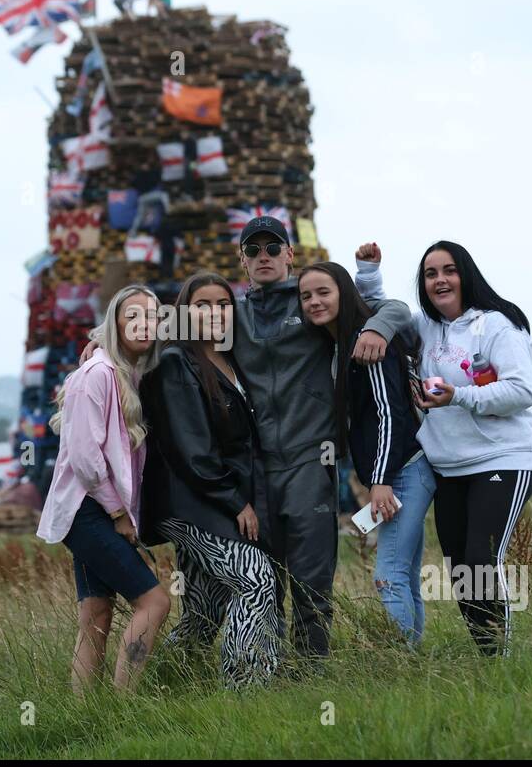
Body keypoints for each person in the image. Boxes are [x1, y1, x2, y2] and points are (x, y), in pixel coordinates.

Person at [84, 217, 413, 661]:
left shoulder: (312, 302)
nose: (263, 257)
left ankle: (311, 670)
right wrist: (101, 346)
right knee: (267, 581)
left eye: (273, 248)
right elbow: (150, 326)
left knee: (312, 579)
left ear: (289, 254)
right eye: (253, 250)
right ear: (241, 259)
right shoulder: (230, 314)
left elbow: (391, 310)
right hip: (256, 472)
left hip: (310, 462)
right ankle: (270, 670)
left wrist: (379, 327)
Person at [358, 240, 532, 656]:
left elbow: (521, 390)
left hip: (503, 459)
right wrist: (368, 273)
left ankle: (501, 659)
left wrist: (458, 395)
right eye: (430, 273)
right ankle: (488, 654)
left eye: (448, 270)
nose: (440, 279)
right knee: (460, 569)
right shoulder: (425, 327)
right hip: (448, 466)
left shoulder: (497, 324)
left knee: (480, 558)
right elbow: (381, 310)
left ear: (466, 275)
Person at [140, 272, 279, 686]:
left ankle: (162, 682)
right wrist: (236, 502)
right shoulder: (174, 362)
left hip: (215, 494)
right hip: (190, 499)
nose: (215, 313)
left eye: (223, 305)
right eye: (203, 305)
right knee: (255, 580)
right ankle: (245, 689)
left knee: (205, 610)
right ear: (185, 311)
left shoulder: (231, 358)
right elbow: (190, 449)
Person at [37, 284, 170, 693]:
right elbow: (84, 456)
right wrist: (117, 513)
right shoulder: (96, 375)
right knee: (154, 602)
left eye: (150, 316)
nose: (142, 323)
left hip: (96, 507)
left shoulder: (126, 371)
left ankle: (84, 714)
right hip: (88, 508)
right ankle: (125, 703)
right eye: (132, 316)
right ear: (114, 323)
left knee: (95, 613)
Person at [299, 259, 434, 646]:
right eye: (306, 296)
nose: (314, 302)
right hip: (398, 471)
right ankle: (412, 658)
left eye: (324, 292)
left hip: (403, 471)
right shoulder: (342, 342)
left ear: (344, 292)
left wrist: (380, 482)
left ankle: (399, 661)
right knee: (404, 572)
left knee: (388, 574)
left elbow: (388, 415)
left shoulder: (366, 344)